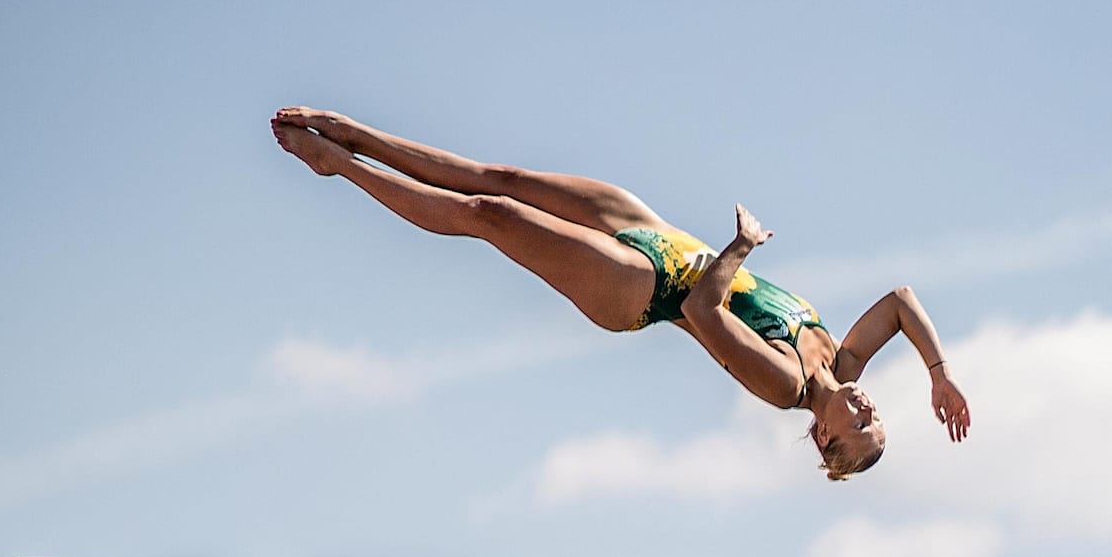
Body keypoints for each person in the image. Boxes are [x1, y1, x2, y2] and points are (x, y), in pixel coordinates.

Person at [271, 108, 970, 479]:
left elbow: (701, 309)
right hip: (660, 235)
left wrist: (741, 247)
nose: (869, 408)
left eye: (861, 426)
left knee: (490, 215)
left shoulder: (785, 383)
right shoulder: (844, 359)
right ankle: (358, 133)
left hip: (643, 288)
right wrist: (939, 375)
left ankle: (341, 165)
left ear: (824, 435)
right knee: (501, 177)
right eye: (878, 416)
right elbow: (900, 301)